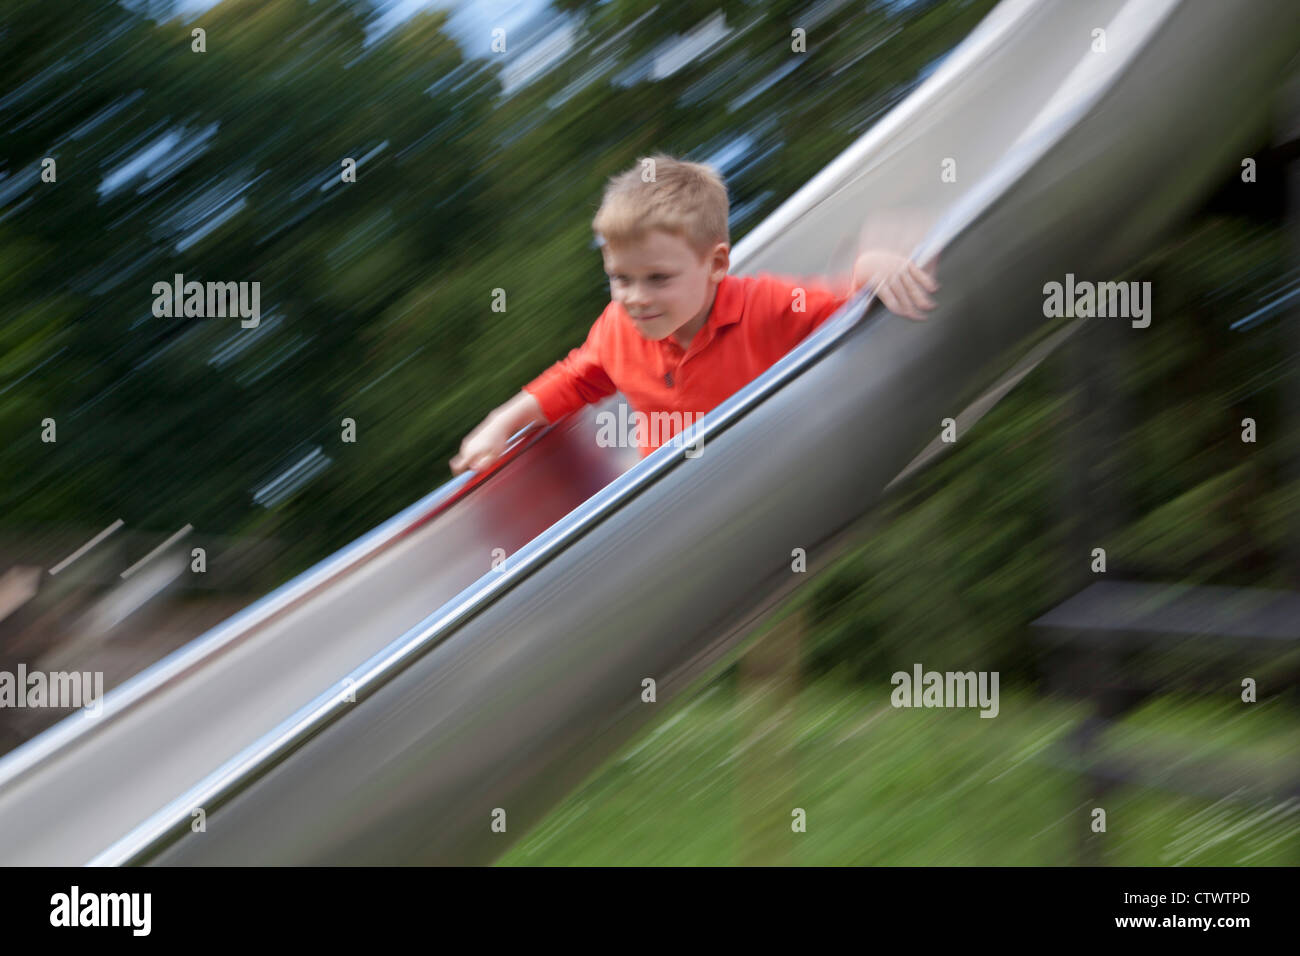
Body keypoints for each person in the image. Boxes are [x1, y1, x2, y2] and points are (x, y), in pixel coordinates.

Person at [451, 153, 937, 475]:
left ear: (716, 265)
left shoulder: (763, 305)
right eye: (620, 278)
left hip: (767, 464)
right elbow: (574, 380)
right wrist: (501, 420)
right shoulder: (618, 330)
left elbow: (841, 310)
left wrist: (870, 267)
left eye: (658, 278)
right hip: (672, 493)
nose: (636, 297)